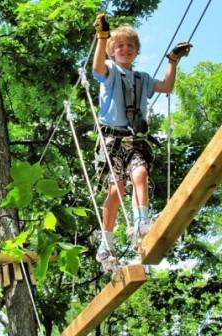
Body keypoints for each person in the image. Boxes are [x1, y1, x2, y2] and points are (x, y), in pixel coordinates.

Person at [92, 14, 191, 273]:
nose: (125, 49)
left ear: (136, 52)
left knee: (141, 173)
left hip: (133, 138)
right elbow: (96, 69)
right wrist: (103, 38)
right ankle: (106, 242)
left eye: (130, 46)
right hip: (111, 137)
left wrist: (172, 61)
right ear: (113, 52)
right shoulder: (110, 71)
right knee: (117, 189)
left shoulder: (142, 78)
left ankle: (141, 223)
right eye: (119, 46)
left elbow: (167, 87)